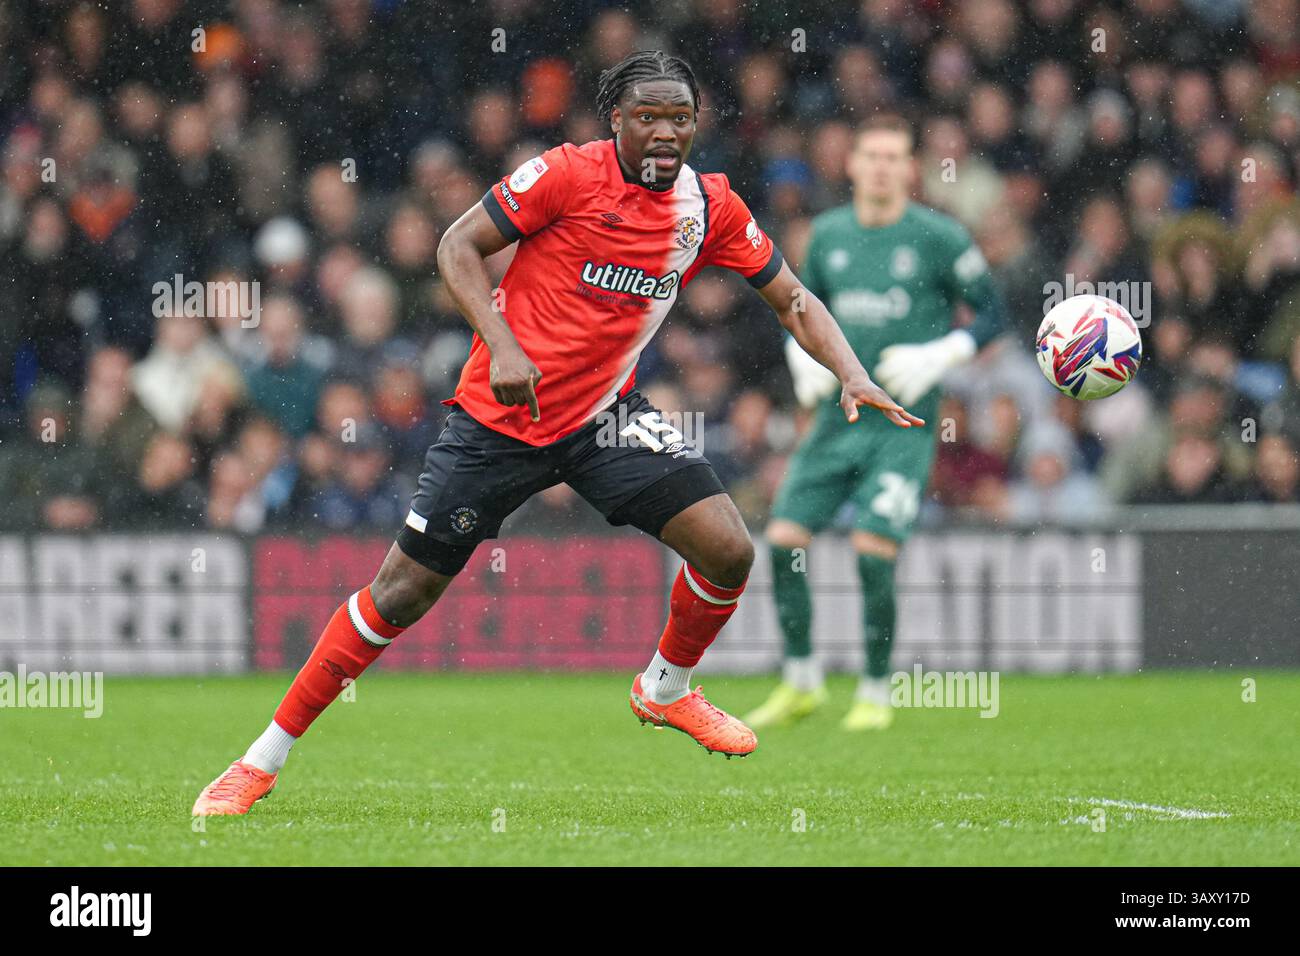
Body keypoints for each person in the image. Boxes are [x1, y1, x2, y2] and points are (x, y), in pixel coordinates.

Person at [193, 52, 921, 815]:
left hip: (604, 417)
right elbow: (455, 246)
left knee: (729, 548)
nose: (666, 132)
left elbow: (794, 300)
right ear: (616, 120)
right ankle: (260, 761)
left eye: (681, 117)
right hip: (499, 419)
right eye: (648, 116)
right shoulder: (567, 175)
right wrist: (504, 343)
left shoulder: (710, 207)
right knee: (400, 595)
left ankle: (664, 689)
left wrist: (852, 371)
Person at [748, 114, 1006, 733]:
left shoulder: (939, 237)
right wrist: (798, 358)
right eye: (873, 155)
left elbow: (994, 313)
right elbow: (798, 306)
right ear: (853, 165)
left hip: (903, 427)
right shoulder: (828, 234)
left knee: (871, 553)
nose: (883, 166)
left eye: (895, 156)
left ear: (910, 169)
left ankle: (874, 691)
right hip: (836, 418)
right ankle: (802, 682)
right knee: (783, 542)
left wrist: (943, 353)